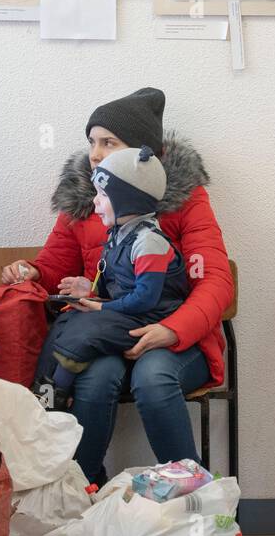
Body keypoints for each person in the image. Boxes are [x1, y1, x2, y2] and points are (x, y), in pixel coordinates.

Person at [4, 88, 233, 483]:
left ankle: (193, 493)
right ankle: (81, 488)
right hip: (109, 332)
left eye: (108, 142)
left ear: (142, 153)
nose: (95, 153)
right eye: (92, 141)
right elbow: (55, 262)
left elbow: (215, 281)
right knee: (95, 378)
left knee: (153, 376)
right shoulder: (85, 196)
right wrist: (31, 272)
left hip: (176, 337)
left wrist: (172, 330)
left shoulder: (186, 200)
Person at [33, 146, 189, 409]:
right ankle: (41, 389)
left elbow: (144, 300)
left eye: (102, 195)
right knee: (68, 318)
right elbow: (112, 284)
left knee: (85, 331)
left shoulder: (149, 243)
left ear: (128, 200)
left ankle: (54, 397)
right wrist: (89, 293)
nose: (94, 201)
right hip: (125, 312)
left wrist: (101, 306)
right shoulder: (119, 235)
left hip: (150, 320)